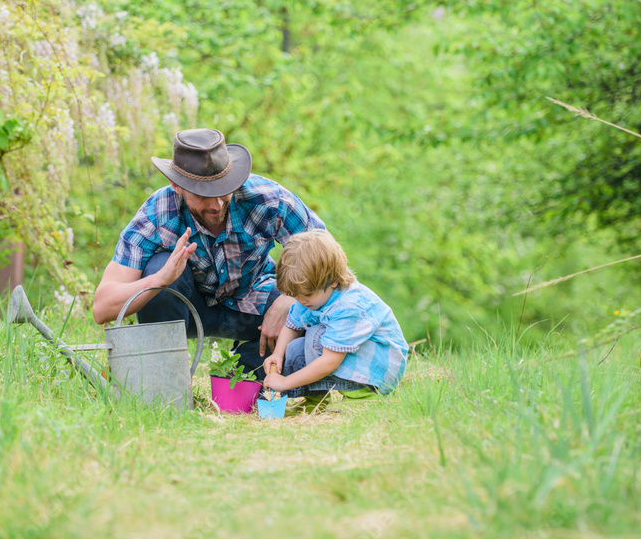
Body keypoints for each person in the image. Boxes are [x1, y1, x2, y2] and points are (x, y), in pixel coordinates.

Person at [91, 128, 326, 378]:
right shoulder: (155, 215)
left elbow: (328, 264)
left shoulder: (269, 200)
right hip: (182, 308)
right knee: (158, 267)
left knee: (307, 303)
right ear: (176, 185)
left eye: (222, 189)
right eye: (203, 195)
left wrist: (289, 300)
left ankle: (247, 373)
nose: (216, 205)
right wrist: (159, 280)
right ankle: (166, 384)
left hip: (254, 304)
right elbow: (102, 307)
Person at [262, 229, 408, 412]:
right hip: (346, 356)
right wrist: (277, 354)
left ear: (333, 281)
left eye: (306, 294)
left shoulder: (349, 306)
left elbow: (329, 361)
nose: (300, 300)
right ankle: (315, 403)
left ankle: (364, 397)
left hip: (378, 369)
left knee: (316, 336)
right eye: (295, 296)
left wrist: (284, 382)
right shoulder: (309, 299)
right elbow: (291, 325)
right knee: (295, 347)